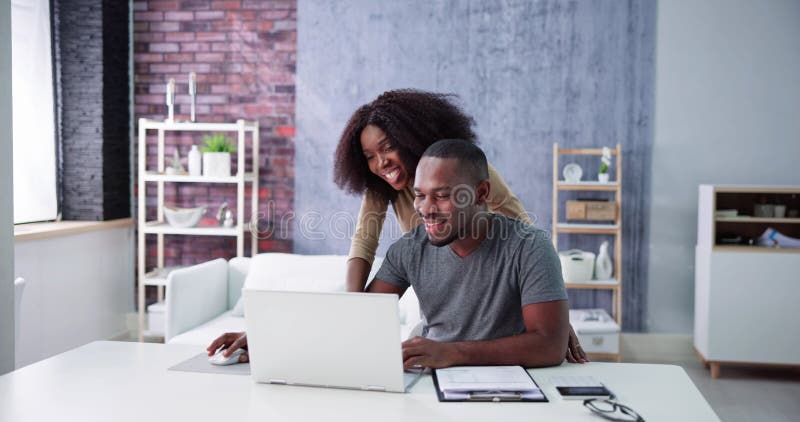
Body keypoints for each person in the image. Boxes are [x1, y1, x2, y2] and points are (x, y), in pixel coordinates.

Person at [208, 140, 569, 369]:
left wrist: (454, 353)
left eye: (442, 195)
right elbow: (357, 320)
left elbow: (550, 346)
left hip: (515, 386)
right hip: (434, 382)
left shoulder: (529, 246)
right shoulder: (410, 249)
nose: (426, 209)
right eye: (420, 195)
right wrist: (271, 335)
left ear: (481, 193)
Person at [333, 89, 585, 363]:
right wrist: (351, 310)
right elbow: (364, 240)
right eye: (369, 155)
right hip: (439, 294)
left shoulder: (464, 168)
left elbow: (521, 228)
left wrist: (551, 312)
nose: (381, 162)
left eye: (386, 147)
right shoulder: (402, 234)